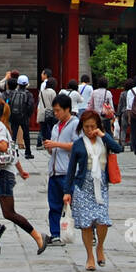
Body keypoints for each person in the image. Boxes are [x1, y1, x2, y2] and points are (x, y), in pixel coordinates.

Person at [0, 97, 50, 256]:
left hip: (4, 175)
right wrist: (21, 170)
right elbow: (13, 152)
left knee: (8, 212)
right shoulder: (0, 126)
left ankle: (38, 237)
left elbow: (3, 147)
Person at [64, 109, 123, 271]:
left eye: (92, 127)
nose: (89, 130)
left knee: (103, 220)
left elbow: (118, 148)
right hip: (83, 186)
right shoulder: (78, 144)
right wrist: (67, 191)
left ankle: (100, 247)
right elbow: (71, 170)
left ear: (98, 126)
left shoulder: (104, 141)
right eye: (86, 127)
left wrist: (104, 135)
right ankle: (90, 255)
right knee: (86, 224)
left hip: (101, 184)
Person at [43, 93, 79, 245]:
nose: (56, 113)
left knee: (74, 204)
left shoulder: (75, 124)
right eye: (55, 110)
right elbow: (55, 147)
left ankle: (90, 230)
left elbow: (77, 146)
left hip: (68, 172)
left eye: (58, 110)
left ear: (67, 109)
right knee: (54, 204)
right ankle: (56, 234)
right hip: (54, 170)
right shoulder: (56, 126)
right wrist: (50, 148)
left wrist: (56, 145)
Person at [7, 75, 35, 159]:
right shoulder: (28, 94)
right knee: (26, 135)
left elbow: (9, 103)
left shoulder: (13, 93)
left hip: (14, 117)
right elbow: (31, 106)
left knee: (13, 135)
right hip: (24, 117)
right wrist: (28, 115)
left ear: (18, 84)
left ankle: (13, 152)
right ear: (26, 84)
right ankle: (28, 152)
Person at [38, 75, 59, 142]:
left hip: (42, 112)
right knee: (50, 129)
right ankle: (50, 142)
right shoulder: (52, 92)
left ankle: (42, 142)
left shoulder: (41, 92)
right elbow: (55, 103)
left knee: (43, 129)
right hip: (50, 113)